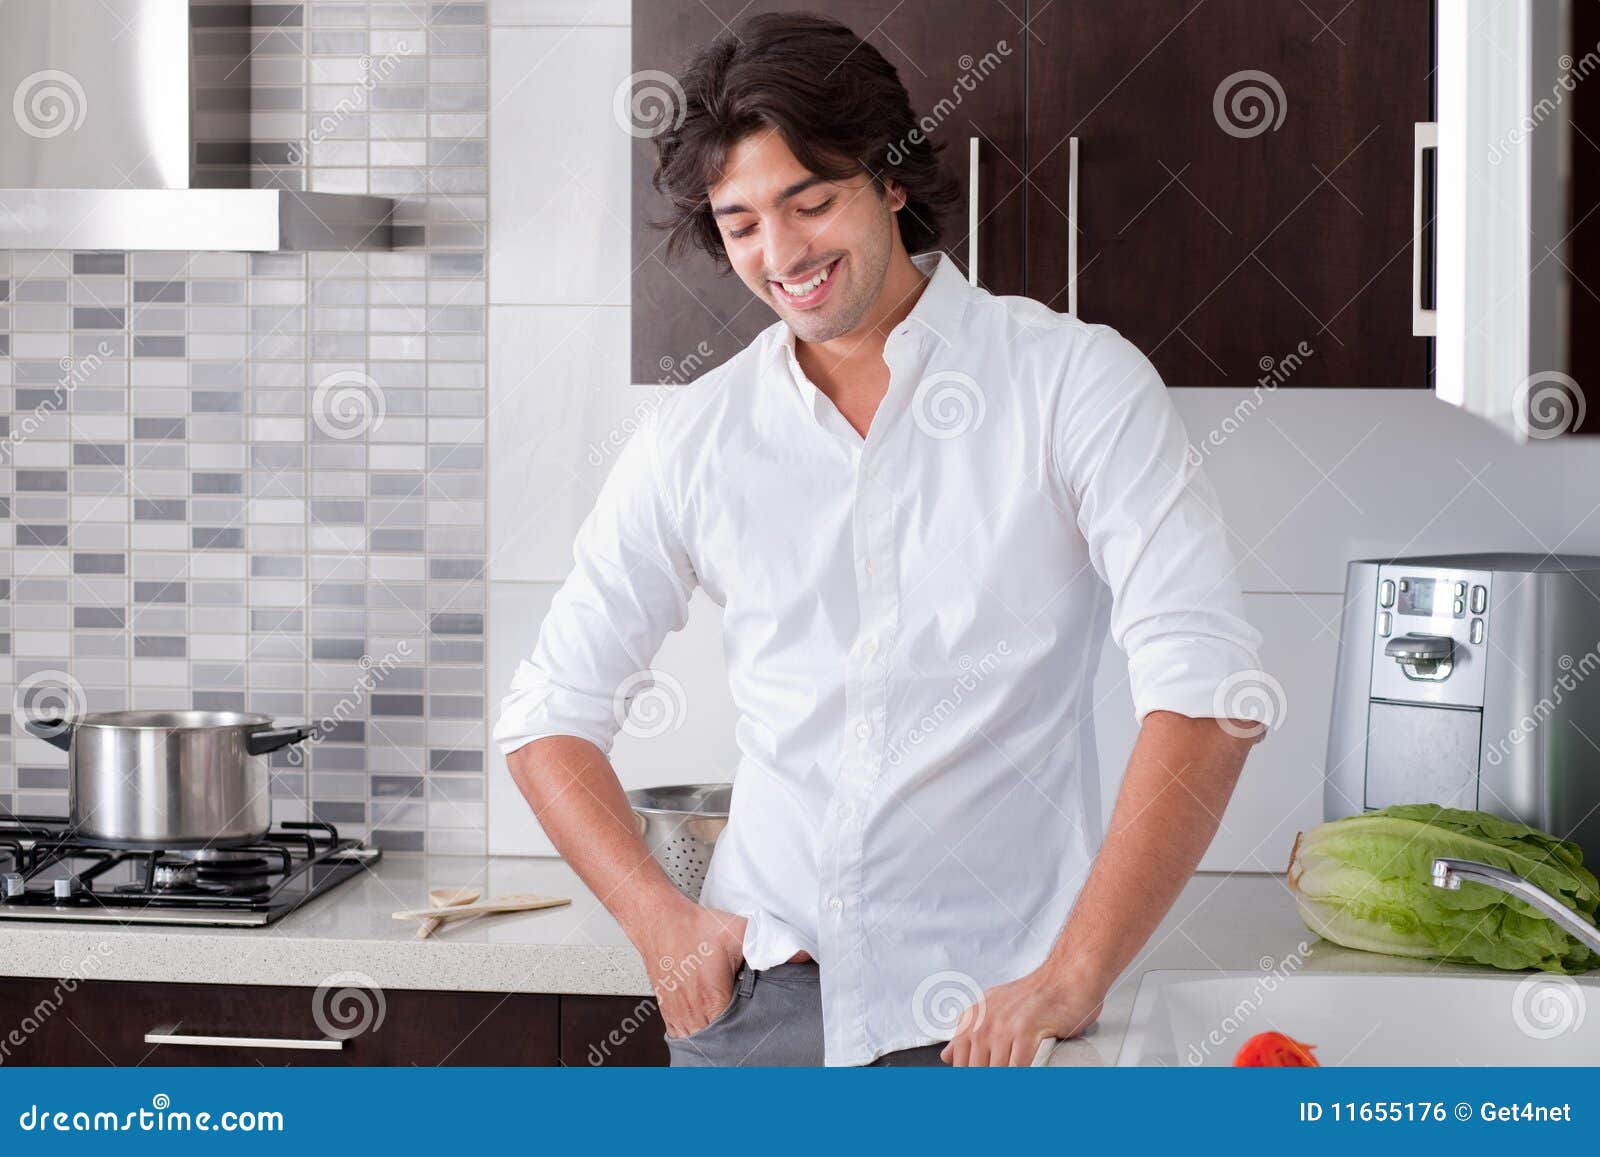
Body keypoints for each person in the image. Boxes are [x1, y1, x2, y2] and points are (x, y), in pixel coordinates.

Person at [495, 12, 1267, 1067]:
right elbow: (547, 714)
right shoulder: (696, 435)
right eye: (742, 223)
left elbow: (1211, 694)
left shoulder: (1070, 384)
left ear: (891, 182)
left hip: (991, 1026)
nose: (783, 254)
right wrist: (658, 922)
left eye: (811, 202)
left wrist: (1071, 974)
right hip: (755, 1013)